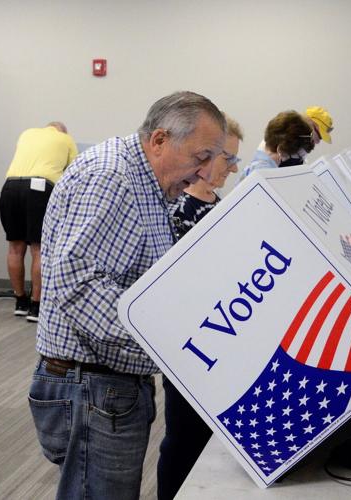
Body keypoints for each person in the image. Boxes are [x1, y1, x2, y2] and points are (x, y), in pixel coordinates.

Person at [29, 91, 226, 499]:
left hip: (110, 385)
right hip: (92, 386)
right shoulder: (111, 176)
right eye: (200, 156)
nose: (205, 172)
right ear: (159, 141)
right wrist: (167, 340)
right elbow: (76, 281)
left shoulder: (148, 183)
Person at [157, 113, 242, 500]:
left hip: (219, 336)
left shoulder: (216, 202)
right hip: (191, 344)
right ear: (205, 159)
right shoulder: (179, 211)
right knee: (183, 439)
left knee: (205, 440)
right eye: (228, 158)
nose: (233, 167)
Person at [0, 122, 78, 322]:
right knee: (39, 249)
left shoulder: (26, 133)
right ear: (62, 131)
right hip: (40, 189)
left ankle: (20, 301)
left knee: (15, 248)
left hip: (10, 187)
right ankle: (36, 306)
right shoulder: (66, 139)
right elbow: (74, 172)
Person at [240, 110, 316, 179]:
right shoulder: (266, 175)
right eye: (299, 156)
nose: (301, 161)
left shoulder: (259, 165)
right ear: (281, 150)